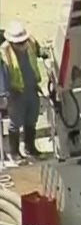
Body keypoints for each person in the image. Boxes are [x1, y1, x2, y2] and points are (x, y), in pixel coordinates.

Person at [2, 21, 46, 160]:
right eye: (18, 43)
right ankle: (14, 152)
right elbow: (2, 76)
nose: (22, 45)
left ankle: (30, 148)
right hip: (15, 94)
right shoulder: (4, 53)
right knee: (16, 122)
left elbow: (40, 52)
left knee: (31, 119)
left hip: (31, 90)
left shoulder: (31, 44)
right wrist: (3, 95)